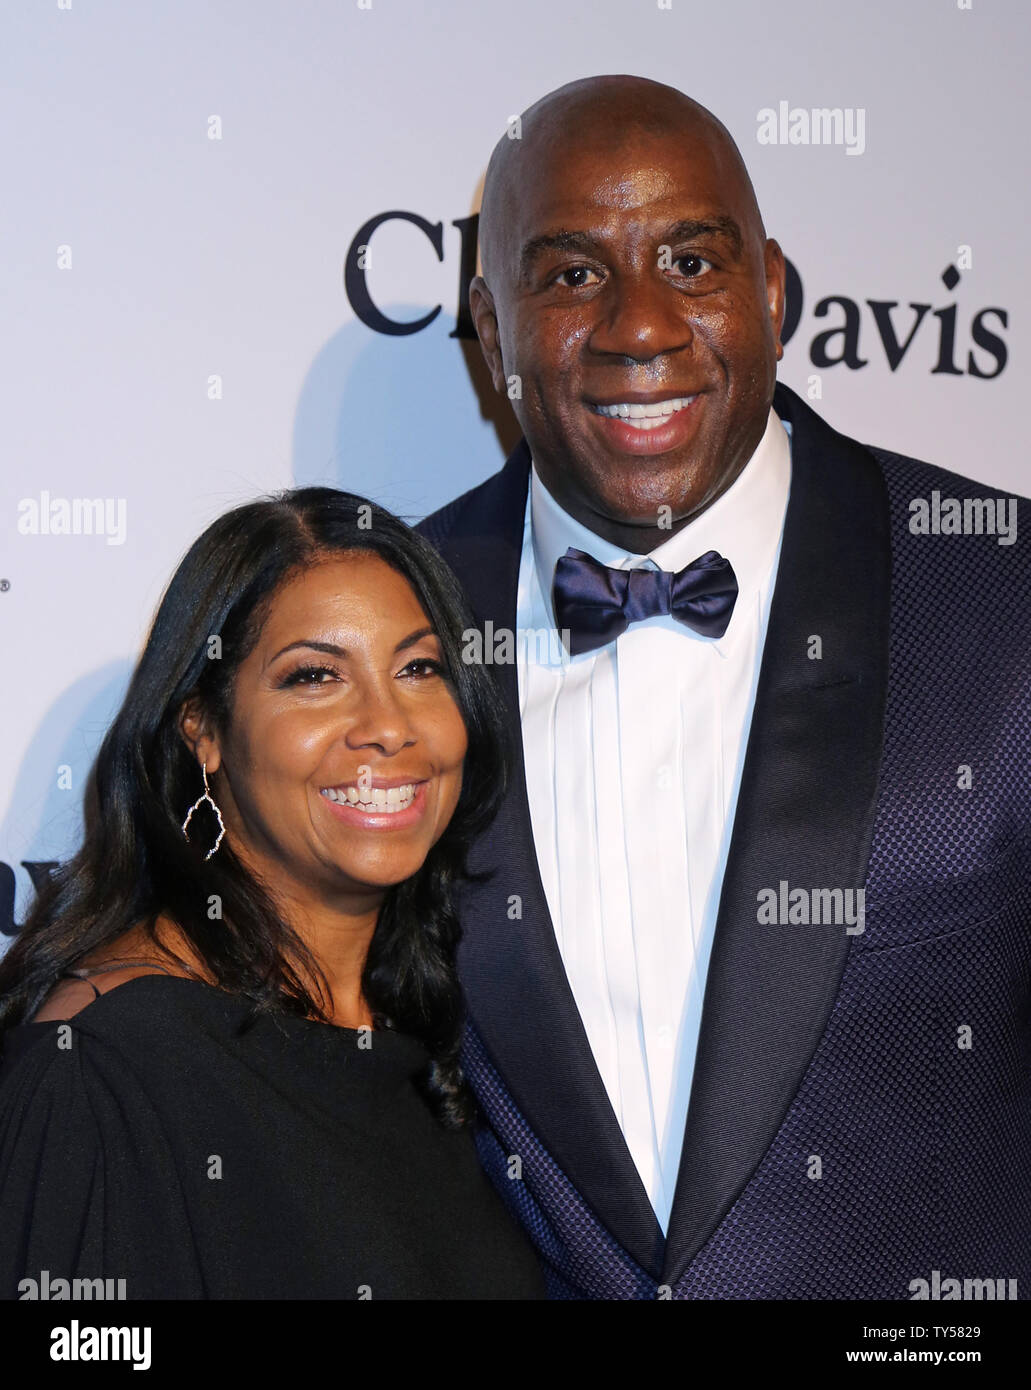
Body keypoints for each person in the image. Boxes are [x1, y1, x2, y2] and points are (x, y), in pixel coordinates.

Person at [417, 75, 1031, 1298]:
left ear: (770, 292)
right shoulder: (388, 628)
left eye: (691, 262)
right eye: (571, 274)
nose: (639, 326)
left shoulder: (996, 595)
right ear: (490, 334)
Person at [0, 487, 544, 1300]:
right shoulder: (107, 1065)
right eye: (315, 676)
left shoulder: (415, 1034)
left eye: (418, 668)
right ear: (204, 730)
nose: (388, 725)